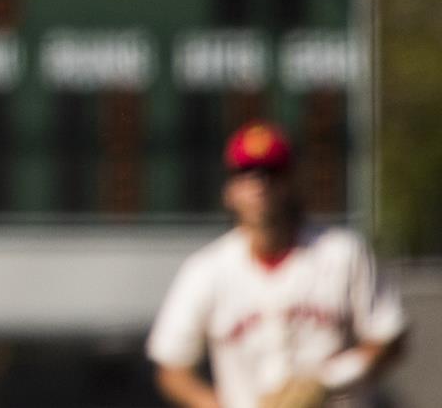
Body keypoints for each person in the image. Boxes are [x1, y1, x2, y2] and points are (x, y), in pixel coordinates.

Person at [148, 121, 408, 408]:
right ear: (230, 190)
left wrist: (328, 380)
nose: (260, 185)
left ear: (294, 181)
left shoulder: (343, 253)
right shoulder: (207, 269)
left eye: (272, 172)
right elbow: (172, 368)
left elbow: (389, 338)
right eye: (246, 174)